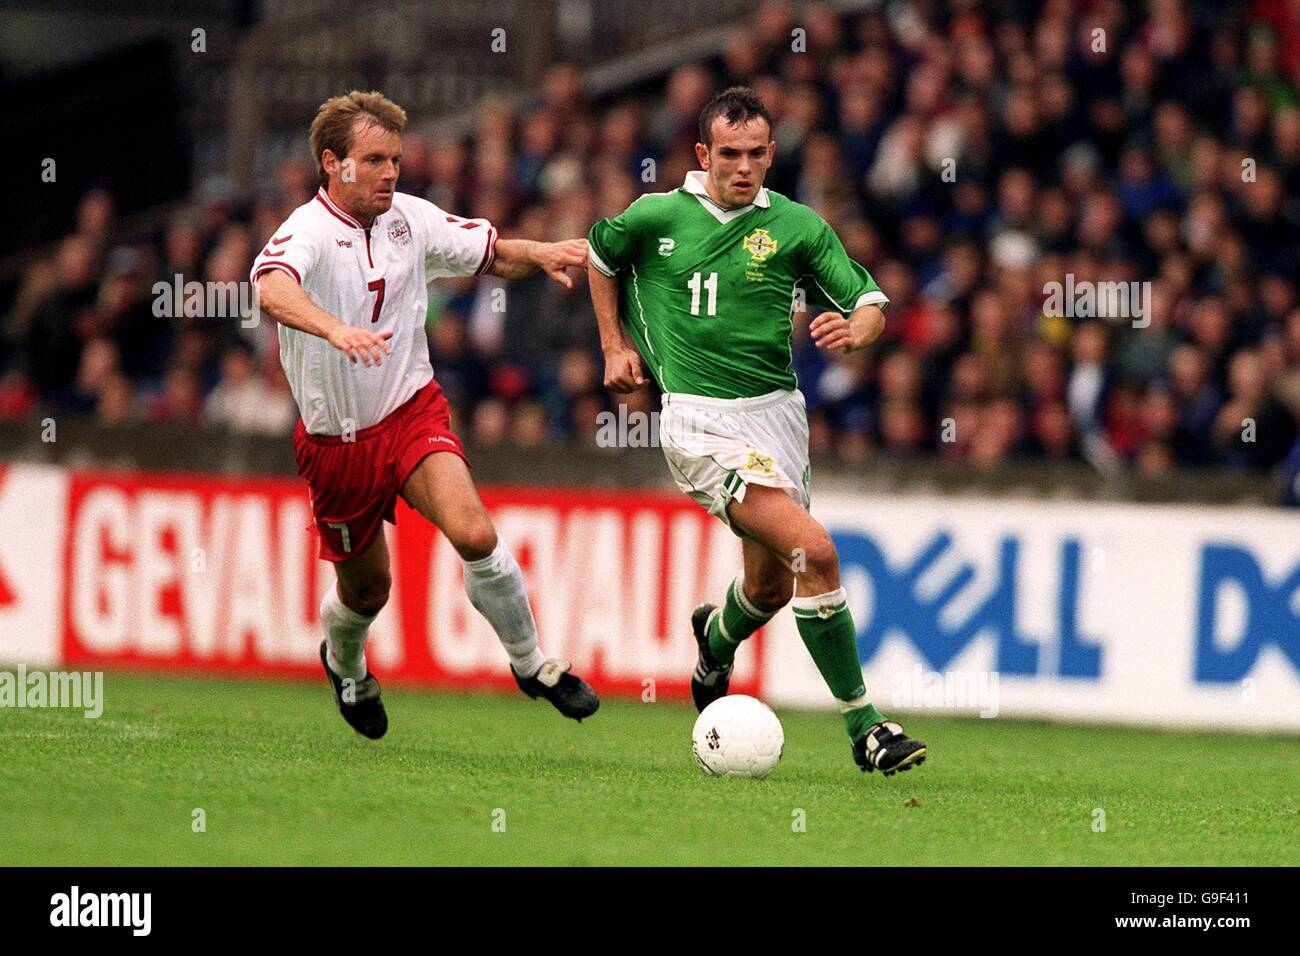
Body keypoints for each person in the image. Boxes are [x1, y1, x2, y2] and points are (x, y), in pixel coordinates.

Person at [586, 87, 926, 776]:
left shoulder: (798, 226)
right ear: (703, 154)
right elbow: (599, 256)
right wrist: (613, 346)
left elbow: (867, 302)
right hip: (700, 424)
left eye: (756, 154)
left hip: (777, 417)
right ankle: (866, 727)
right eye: (729, 154)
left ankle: (715, 638)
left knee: (770, 588)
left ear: (772, 154)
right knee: (818, 553)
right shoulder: (657, 217)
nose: (743, 167)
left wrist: (858, 331)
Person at [252, 91, 597, 739]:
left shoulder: (410, 219)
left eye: (396, 159)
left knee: (473, 532)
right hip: (338, 442)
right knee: (367, 592)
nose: (391, 172)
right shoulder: (306, 231)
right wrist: (331, 328)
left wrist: (545, 253)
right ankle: (345, 663)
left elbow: (489, 250)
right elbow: (271, 288)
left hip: (412, 410)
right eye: (374, 159)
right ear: (334, 164)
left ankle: (532, 665)